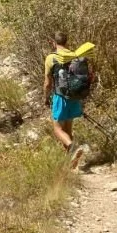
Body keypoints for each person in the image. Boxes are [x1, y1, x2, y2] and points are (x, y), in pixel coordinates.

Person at [44, 31, 89, 167]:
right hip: (74, 97)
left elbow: (47, 83)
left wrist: (46, 98)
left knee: (57, 129)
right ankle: (71, 165)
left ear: (53, 42)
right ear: (66, 42)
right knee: (68, 130)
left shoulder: (51, 58)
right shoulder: (74, 55)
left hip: (60, 97)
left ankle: (73, 147)